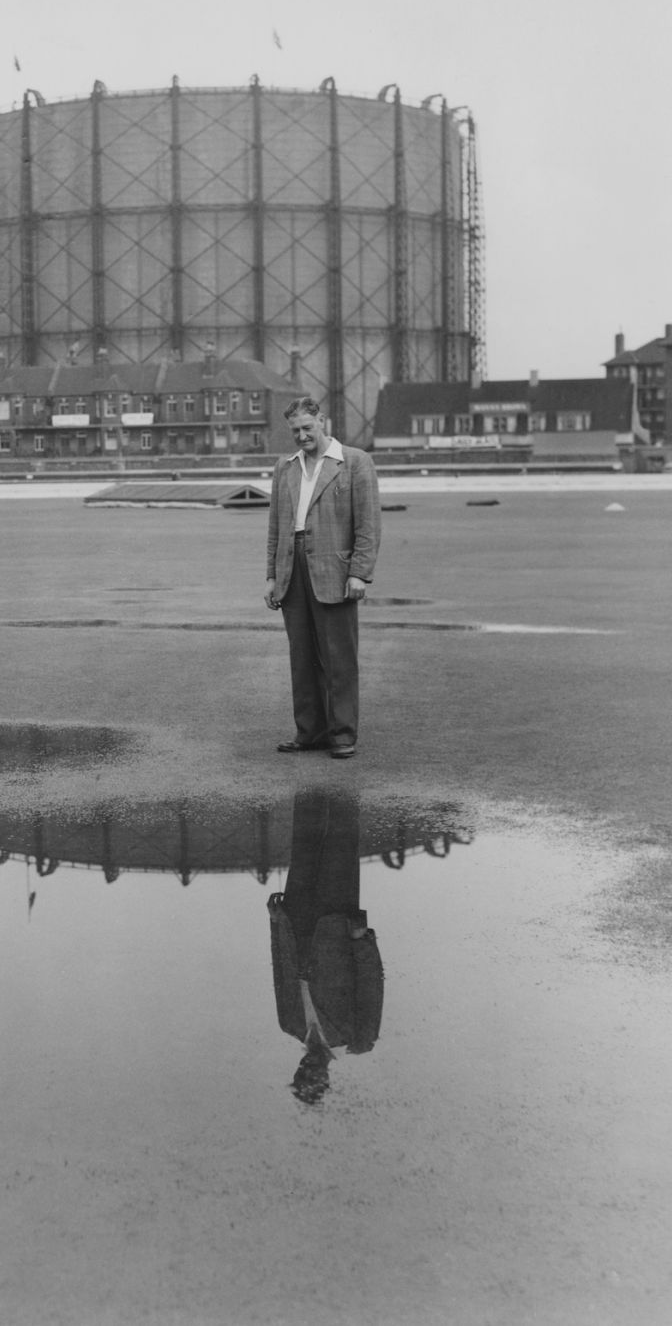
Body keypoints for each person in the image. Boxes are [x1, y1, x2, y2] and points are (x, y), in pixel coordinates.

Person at [264, 396, 381, 758]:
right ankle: (309, 731)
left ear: (323, 422)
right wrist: (271, 576)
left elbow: (368, 525)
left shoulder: (355, 462)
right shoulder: (285, 467)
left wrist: (359, 573)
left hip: (335, 568)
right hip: (291, 567)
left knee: (339, 657)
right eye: (295, 430)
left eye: (307, 428)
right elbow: (275, 527)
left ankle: (342, 734)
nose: (301, 436)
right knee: (301, 656)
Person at [268, 788, 384, 1105]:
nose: (308, 1069)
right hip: (335, 927)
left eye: (301, 1074)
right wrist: (363, 941)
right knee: (340, 848)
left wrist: (276, 922)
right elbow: (371, 986)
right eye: (313, 1078)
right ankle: (347, 788)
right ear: (326, 1079)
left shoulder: (288, 1023)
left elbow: (279, 971)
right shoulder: (354, 1036)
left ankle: (308, 786)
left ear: (297, 1070)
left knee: (304, 845)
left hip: (297, 922)